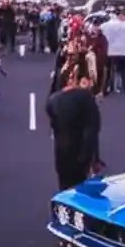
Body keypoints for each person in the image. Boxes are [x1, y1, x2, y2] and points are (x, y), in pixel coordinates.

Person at [44, 62, 102, 190]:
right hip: (80, 153)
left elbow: (53, 122)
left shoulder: (54, 100)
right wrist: (93, 157)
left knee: (64, 187)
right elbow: (93, 129)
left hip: (61, 153)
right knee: (79, 189)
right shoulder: (85, 98)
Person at [99, 10, 125, 94]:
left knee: (111, 69)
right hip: (123, 49)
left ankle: (112, 86)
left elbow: (100, 34)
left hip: (110, 50)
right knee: (124, 69)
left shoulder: (104, 26)